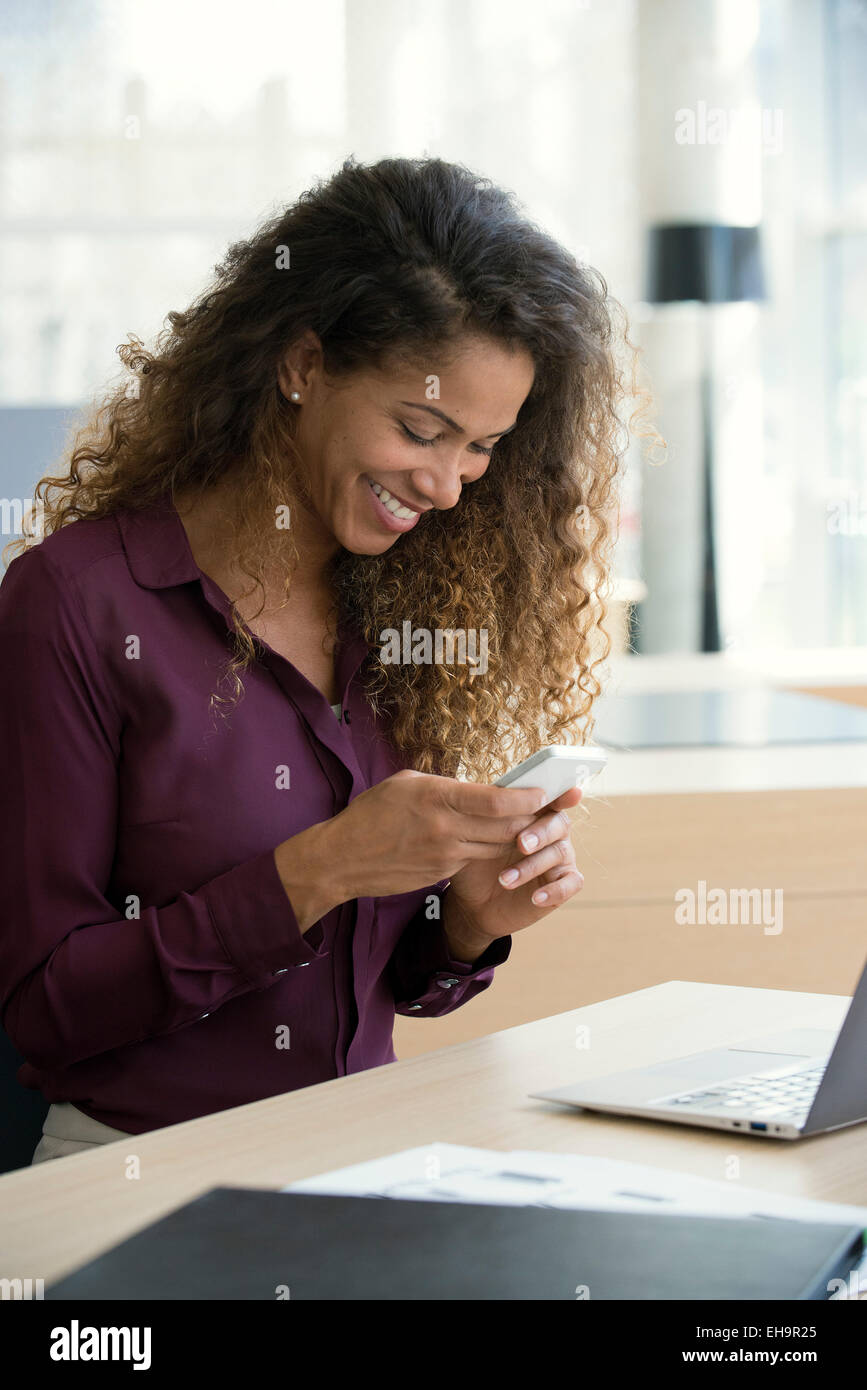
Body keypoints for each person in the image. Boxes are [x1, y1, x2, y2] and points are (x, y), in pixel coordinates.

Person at [0, 156, 648, 1163]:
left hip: (361, 1160)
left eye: (482, 446)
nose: (447, 485)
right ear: (304, 365)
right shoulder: (77, 603)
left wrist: (466, 925)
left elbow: (392, 989)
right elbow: (46, 1006)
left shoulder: (399, 612)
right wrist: (319, 869)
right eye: (421, 429)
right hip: (133, 1178)